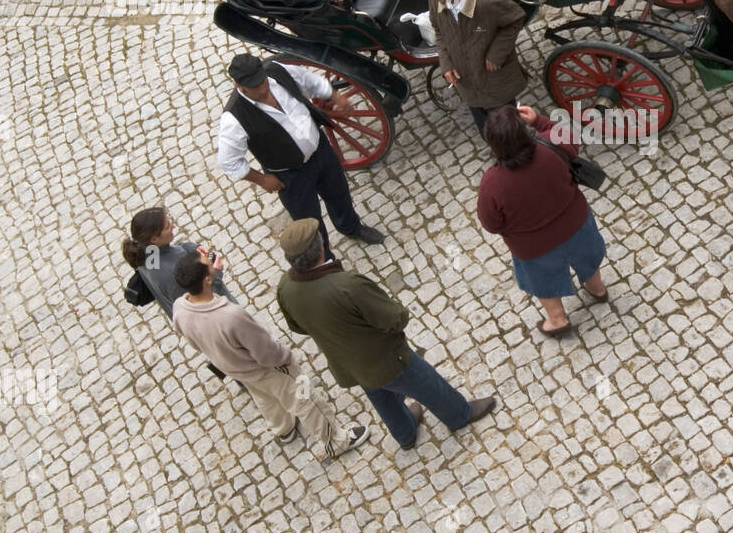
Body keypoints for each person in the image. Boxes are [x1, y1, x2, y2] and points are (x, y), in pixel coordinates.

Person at [273, 219, 497, 450]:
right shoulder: (347, 285)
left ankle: (405, 434)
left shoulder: (285, 287)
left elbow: (297, 327)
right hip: (386, 358)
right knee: (428, 384)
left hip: (348, 363)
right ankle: (459, 414)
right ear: (321, 248)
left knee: (380, 396)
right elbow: (395, 318)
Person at [172, 253, 370, 464]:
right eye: (207, 264)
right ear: (207, 280)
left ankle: (283, 429)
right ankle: (336, 441)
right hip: (271, 370)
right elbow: (265, 352)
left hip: (238, 371)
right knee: (307, 399)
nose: (210, 261)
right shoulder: (231, 316)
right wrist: (286, 359)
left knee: (264, 398)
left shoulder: (180, 308)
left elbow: (194, 343)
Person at [217, 52, 385, 255]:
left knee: (339, 194)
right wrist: (261, 180)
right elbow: (229, 161)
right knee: (309, 222)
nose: (262, 89)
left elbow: (309, 81)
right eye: (255, 86)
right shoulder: (234, 117)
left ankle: (351, 227)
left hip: (320, 151)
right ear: (238, 85)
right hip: (290, 176)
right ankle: (324, 258)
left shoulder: (277, 71)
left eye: (263, 82)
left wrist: (333, 95)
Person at [477, 105, 609, 338]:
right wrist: (540, 121)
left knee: (542, 277)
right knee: (587, 256)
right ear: (522, 131)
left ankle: (557, 320)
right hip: (575, 223)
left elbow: (491, 224)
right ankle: (597, 289)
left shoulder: (492, 183)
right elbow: (569, 138)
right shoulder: (551, 147)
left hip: (533, 247)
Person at [121, 206, 238, 384]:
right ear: (154, 238)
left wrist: (190, 248)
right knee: (234, 350)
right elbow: (201, 298)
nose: (173, 226)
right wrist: (216, 272)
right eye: (168, 227)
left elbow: (172, 251)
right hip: (214, 319)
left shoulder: (149, 253)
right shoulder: (169, 275)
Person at [420, 0, 528, 132]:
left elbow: (516, 19)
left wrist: (496, 54)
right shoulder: (435, 0)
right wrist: (446, 64)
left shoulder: (489, 2)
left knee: (511, 132)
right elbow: (439, 32)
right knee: (486, 131)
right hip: (468, 86)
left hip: (495, 83)